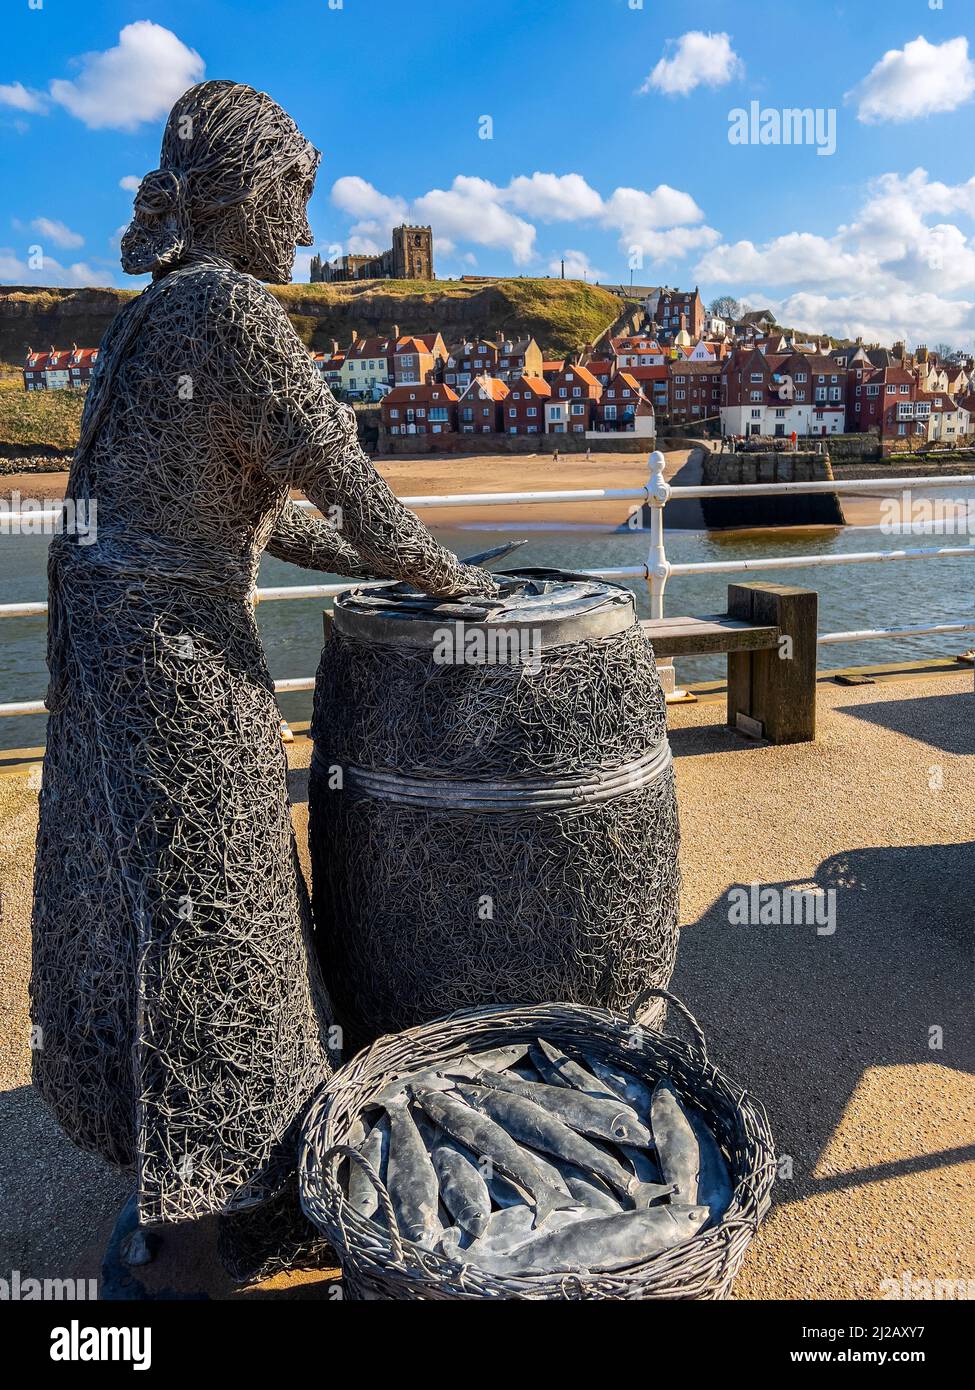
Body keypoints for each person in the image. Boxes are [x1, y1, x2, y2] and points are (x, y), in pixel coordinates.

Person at [30, 80, 495, 1272]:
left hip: (110, 659)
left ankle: (182, 1183)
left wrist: (405, 563)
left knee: (158, 913)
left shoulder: (147, 319)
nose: (304, 220)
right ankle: (214, 1214)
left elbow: (275, 516)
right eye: (295, 191)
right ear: (246, 194)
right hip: (181, 668)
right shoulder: (232, 317)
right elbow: (352, 488)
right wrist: (450, 578)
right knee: (222, 929)